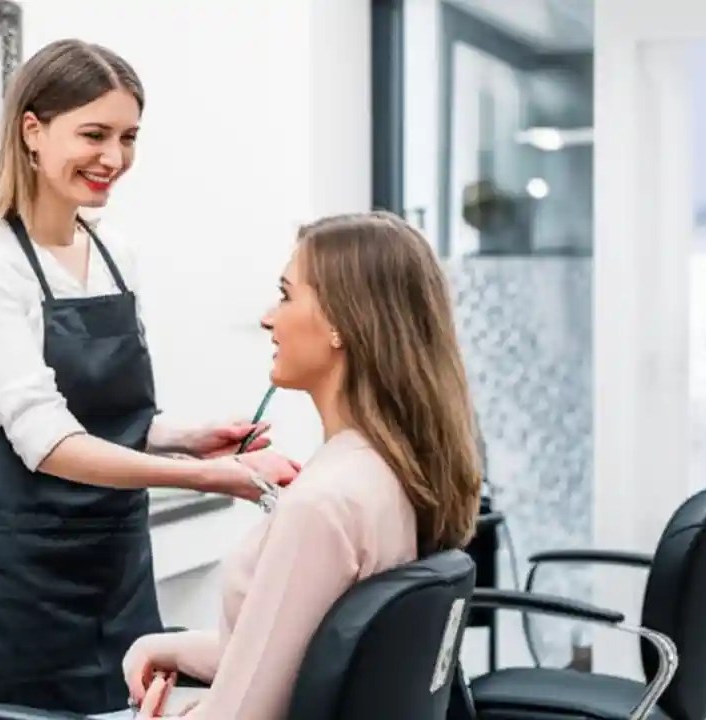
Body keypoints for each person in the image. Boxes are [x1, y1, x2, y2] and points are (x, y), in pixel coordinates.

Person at [0, 39, 302, 715]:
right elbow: (45, 439)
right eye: (95, 135)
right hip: (19, 576)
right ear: (33, 131)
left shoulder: (114, 253)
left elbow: (105, 411)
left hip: (117, 563)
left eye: (129, 137)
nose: (114, 158)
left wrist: (187, 438)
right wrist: (208, 477)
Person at [124, 211, 484, 719]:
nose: (268, 318)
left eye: (287, 295)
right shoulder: (387, 472)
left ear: (342, 323)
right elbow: (306, 657)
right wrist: (164, 647)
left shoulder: (322, 505)